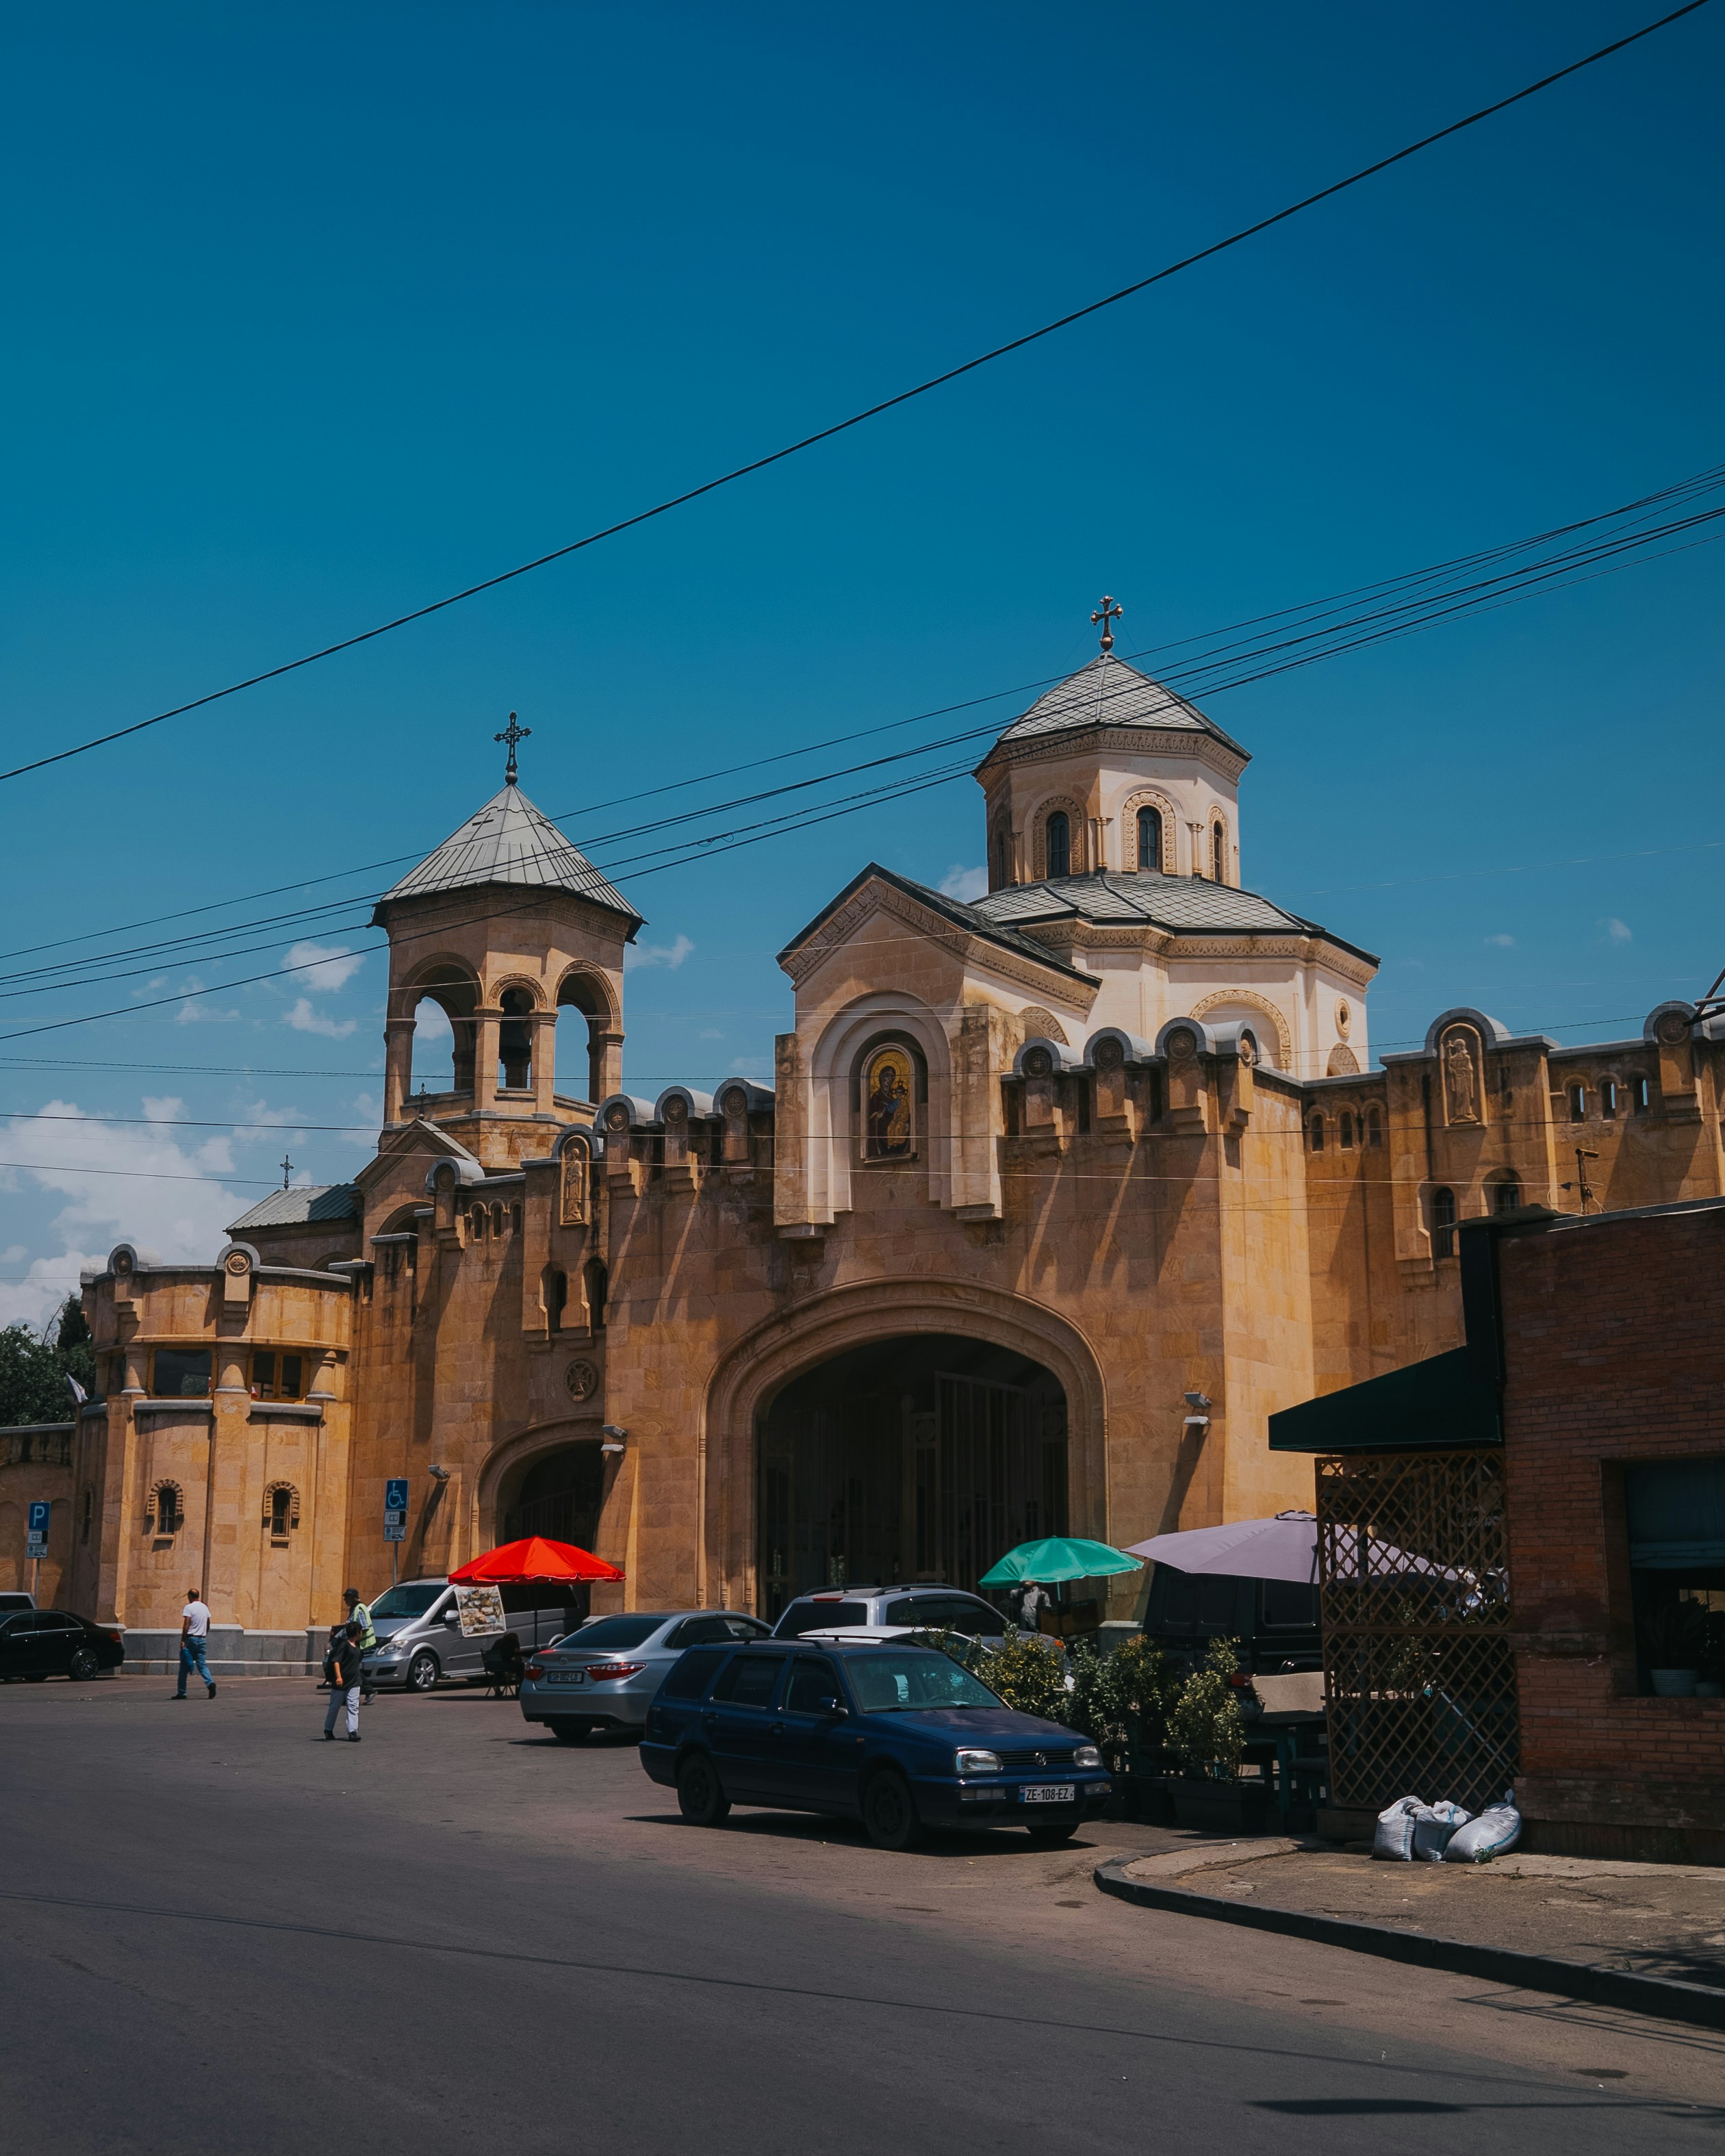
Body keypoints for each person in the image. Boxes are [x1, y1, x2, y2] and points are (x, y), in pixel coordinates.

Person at [323, 1621, 366, 1742]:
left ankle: (353, 1732)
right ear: (357, 1633)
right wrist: (338, 1677)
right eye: (361, 1631)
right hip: (341, 1682)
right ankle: (328, 1729)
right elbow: (336, 1661)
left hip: (354, 1682)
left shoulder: (357, 1646)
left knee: (353, 1706)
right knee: (335, 1707)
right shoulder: (344, 1645)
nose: (362, 1633)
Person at [175, 1587, 216, 1699]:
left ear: (190, 1596)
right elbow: (208, 1624)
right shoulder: (205, 1607)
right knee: (202, 1665)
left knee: (184, 1667)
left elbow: (187, 1624)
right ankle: (210, 1683)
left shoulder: (189, 1607)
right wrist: (203, 1634)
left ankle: (182, 1692)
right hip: (202, 1639)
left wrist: (183, 1640)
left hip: (191, 1639)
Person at [344, 1587, 377, 1698]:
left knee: (354, 1669)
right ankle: (367, 1690)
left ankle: (368, 1690)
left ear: (353, 1598)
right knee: (354, 1669)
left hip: (361, 1644)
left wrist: (354, 1640)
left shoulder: (360, 1608)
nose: (345, 1600)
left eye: (347, 1597)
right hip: (357, 1644)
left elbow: (364, 1627)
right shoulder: (354, 1609)